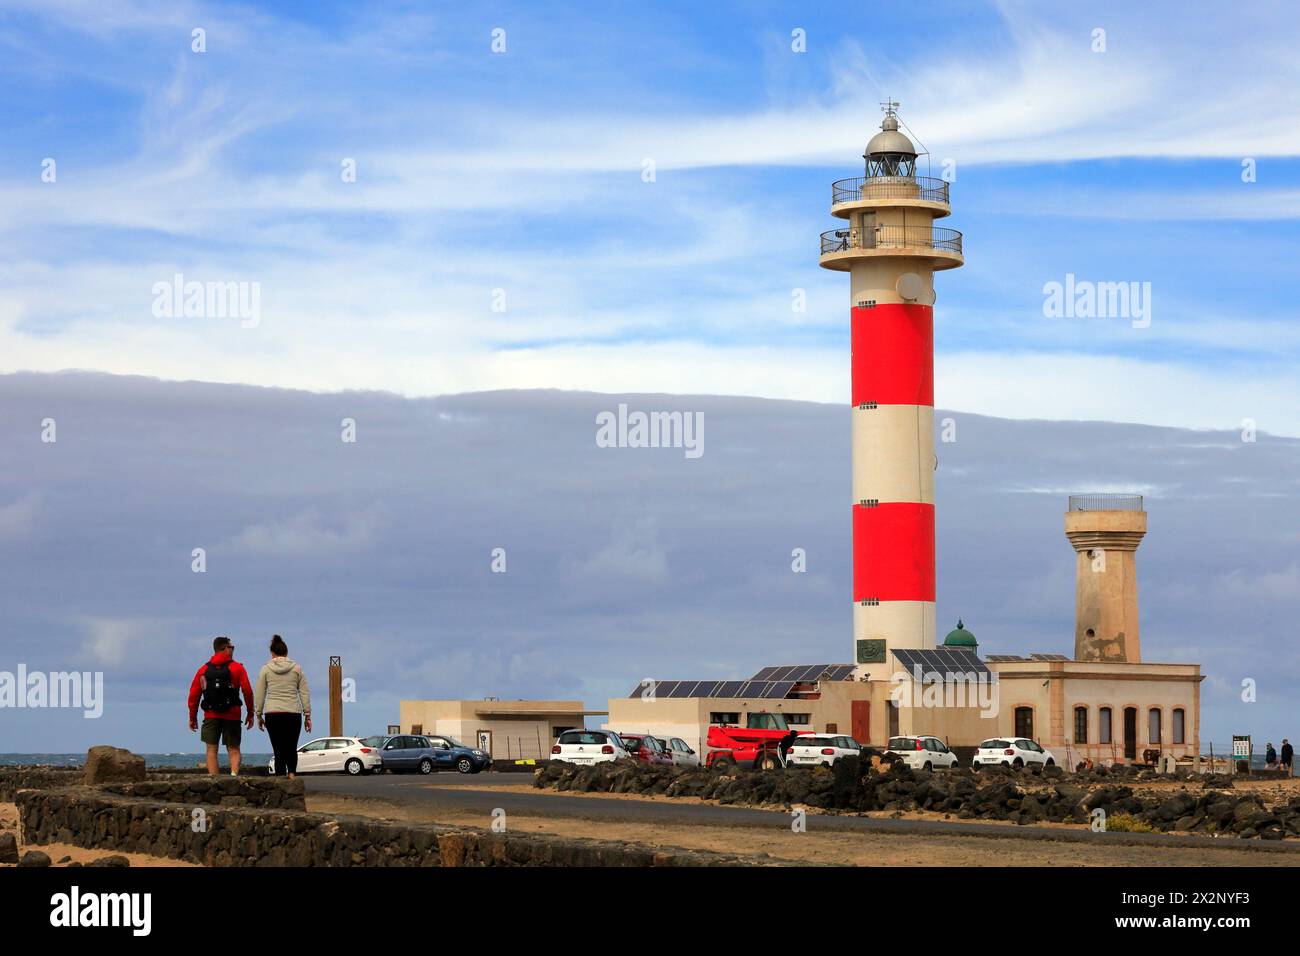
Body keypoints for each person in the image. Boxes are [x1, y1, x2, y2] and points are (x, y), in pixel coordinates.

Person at [188, 636, 254, 776]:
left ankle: (215, 781)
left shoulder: (203, 670)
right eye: (231, 647)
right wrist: (250, 712)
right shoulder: (237, 668)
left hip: (211, 715)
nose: (233, 650)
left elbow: (194, 696)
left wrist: (192, 717)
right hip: (233, 714)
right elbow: (247, 691)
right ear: (225, 649)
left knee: (211, 751)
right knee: (234, 749)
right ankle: (233, 776)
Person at [255, 634, 312, 778]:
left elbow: (260, 693)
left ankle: (280, 780)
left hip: (273, 714)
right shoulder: (297, 669)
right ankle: (292, 774)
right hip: (293, 713)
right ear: (286, 653)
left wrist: (258, 714)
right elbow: (304, 692)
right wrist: (307, 715)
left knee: (278, 749)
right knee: (291, 748)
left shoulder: (265, 669)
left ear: (272, 653)